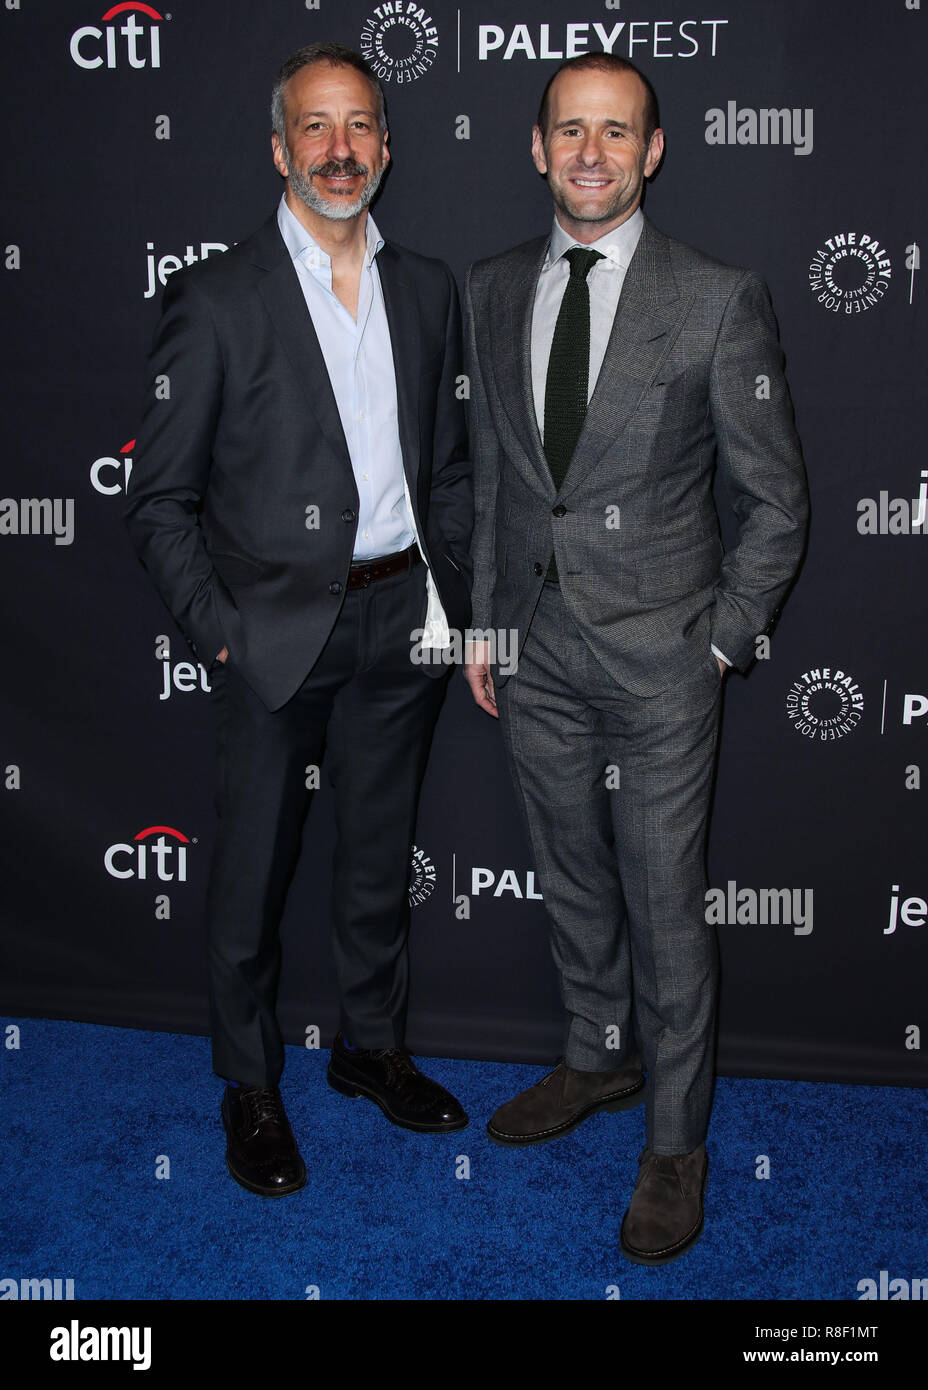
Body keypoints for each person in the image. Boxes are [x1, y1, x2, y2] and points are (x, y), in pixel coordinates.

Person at [463, 53, 808, 1263]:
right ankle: (596, 1059)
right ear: (539, 147)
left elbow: (776, 502)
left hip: (665, 660)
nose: (591, 153)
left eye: (616, 132)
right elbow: (502, 479)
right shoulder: (493, 287)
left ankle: (675, 1140)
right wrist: (486, 625)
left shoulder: (716, 297)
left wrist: (716, 644)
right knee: (570, 878)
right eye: (570, 131)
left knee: (666, 907)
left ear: (652, 151)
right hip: (536, 652)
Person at [125, 42, 473, 1198]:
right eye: (315, 129)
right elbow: (160, 501)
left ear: (385, 145)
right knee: (252, 877)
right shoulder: (215, 302)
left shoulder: (428, 288)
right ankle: (249, 1083)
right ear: (281, 149)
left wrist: (459, 607)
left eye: (359, 126)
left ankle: (371, 1050)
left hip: (400, 625)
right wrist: (223, 631)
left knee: (377, 861)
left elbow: (454, 471)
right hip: (271, 636)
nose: (338, 149)